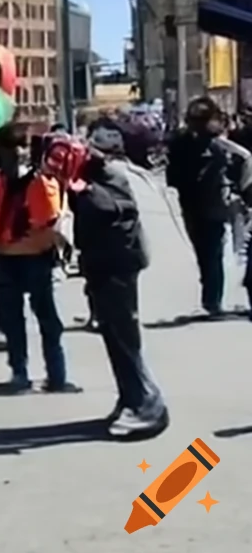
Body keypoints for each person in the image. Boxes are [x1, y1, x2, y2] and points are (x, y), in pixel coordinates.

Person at [44, 124, 168, 439]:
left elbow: (115, 209)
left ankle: (146, 404)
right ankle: (130, 397)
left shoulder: (112, 174)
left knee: (125, 340)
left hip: (119, 263)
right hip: (101, 262)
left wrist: (84, 188)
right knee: (113, 336)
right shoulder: (94, 173)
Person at [0, 123, 78, 393]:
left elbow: (50, 223)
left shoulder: (40, 182)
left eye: (22, 147)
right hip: (7, 259)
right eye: (12, 149)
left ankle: (57, 375)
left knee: (47, 319)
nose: (18, 154)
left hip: (35, 258)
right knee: (11, 320)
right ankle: (20, 372)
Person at [166, 97, 252, 317]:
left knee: (213, 252)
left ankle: (212, 300)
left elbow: (242, 164)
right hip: (195, 205)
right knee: (206, 253)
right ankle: (211, 298)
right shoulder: (185, 144)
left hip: (215, 206)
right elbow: (173, 175)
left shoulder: (221, 146)